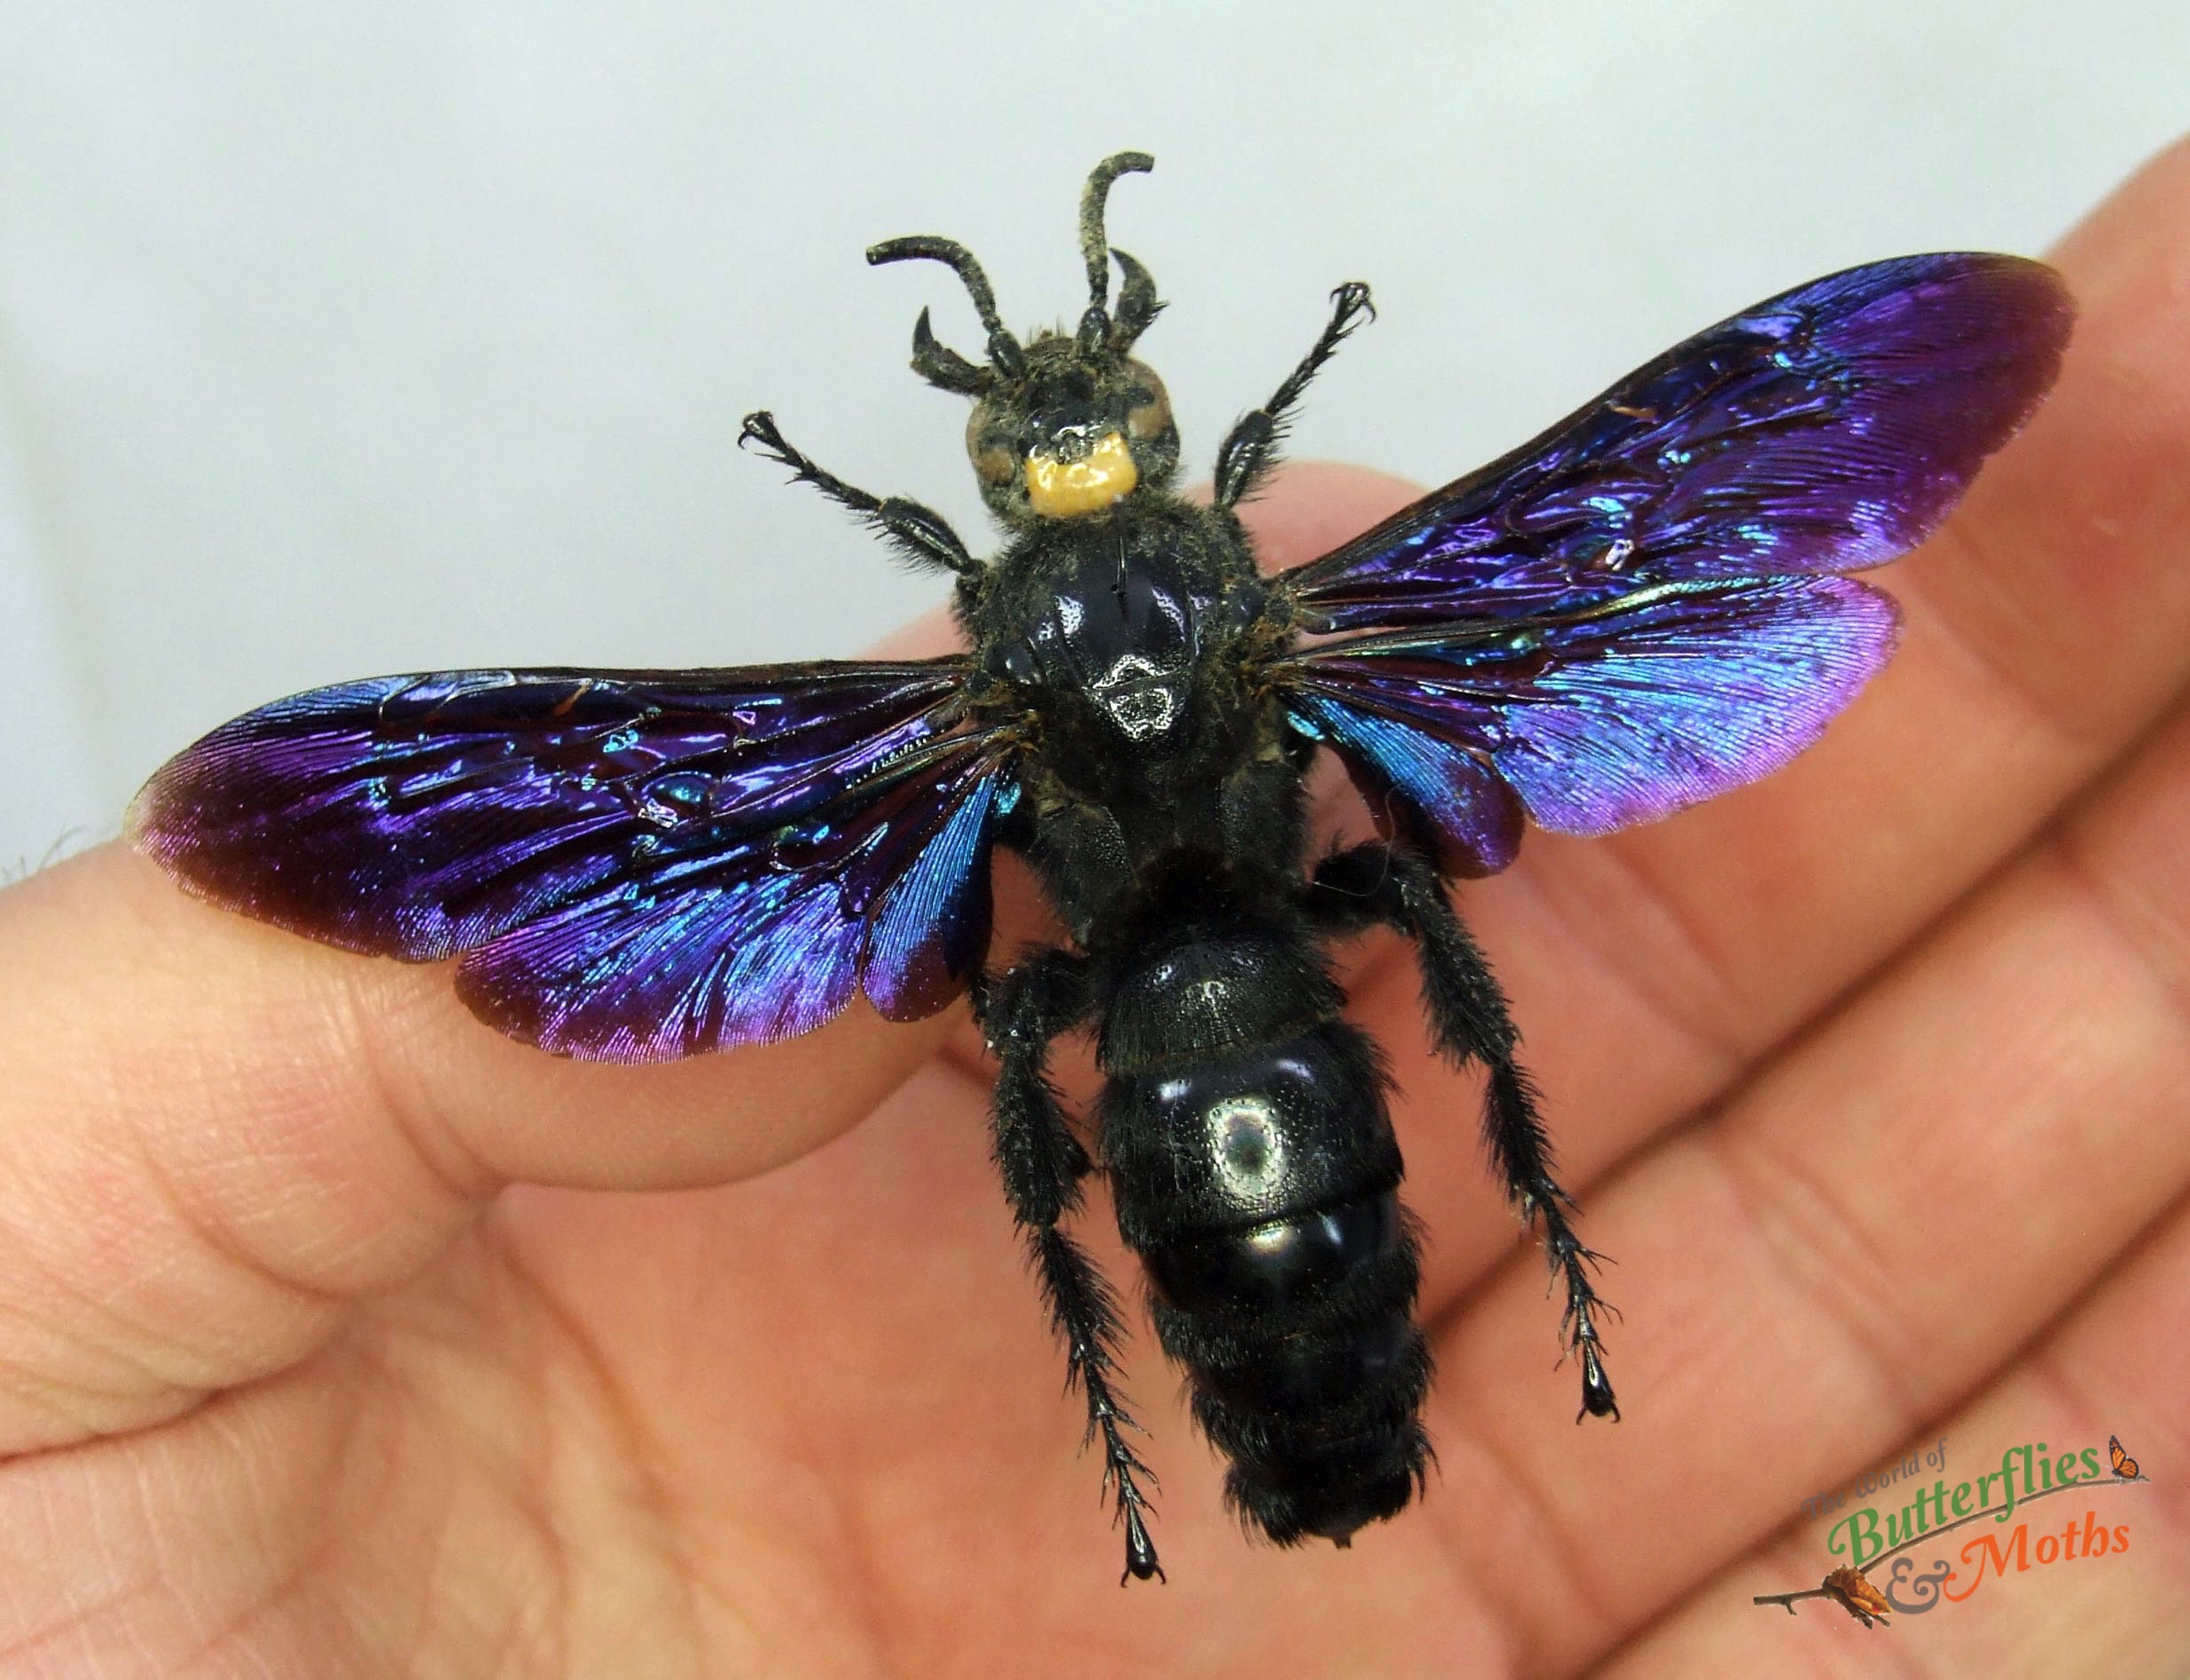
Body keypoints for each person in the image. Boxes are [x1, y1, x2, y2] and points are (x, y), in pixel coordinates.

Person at [3, 137, 2186, 1675]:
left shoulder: (979, 683)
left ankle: (1143, 1444)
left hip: (1119, 1023)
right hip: (1277, 964)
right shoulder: (1278, 593)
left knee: (1035, 1041)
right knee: (1416, 918)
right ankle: (1534, 1264)